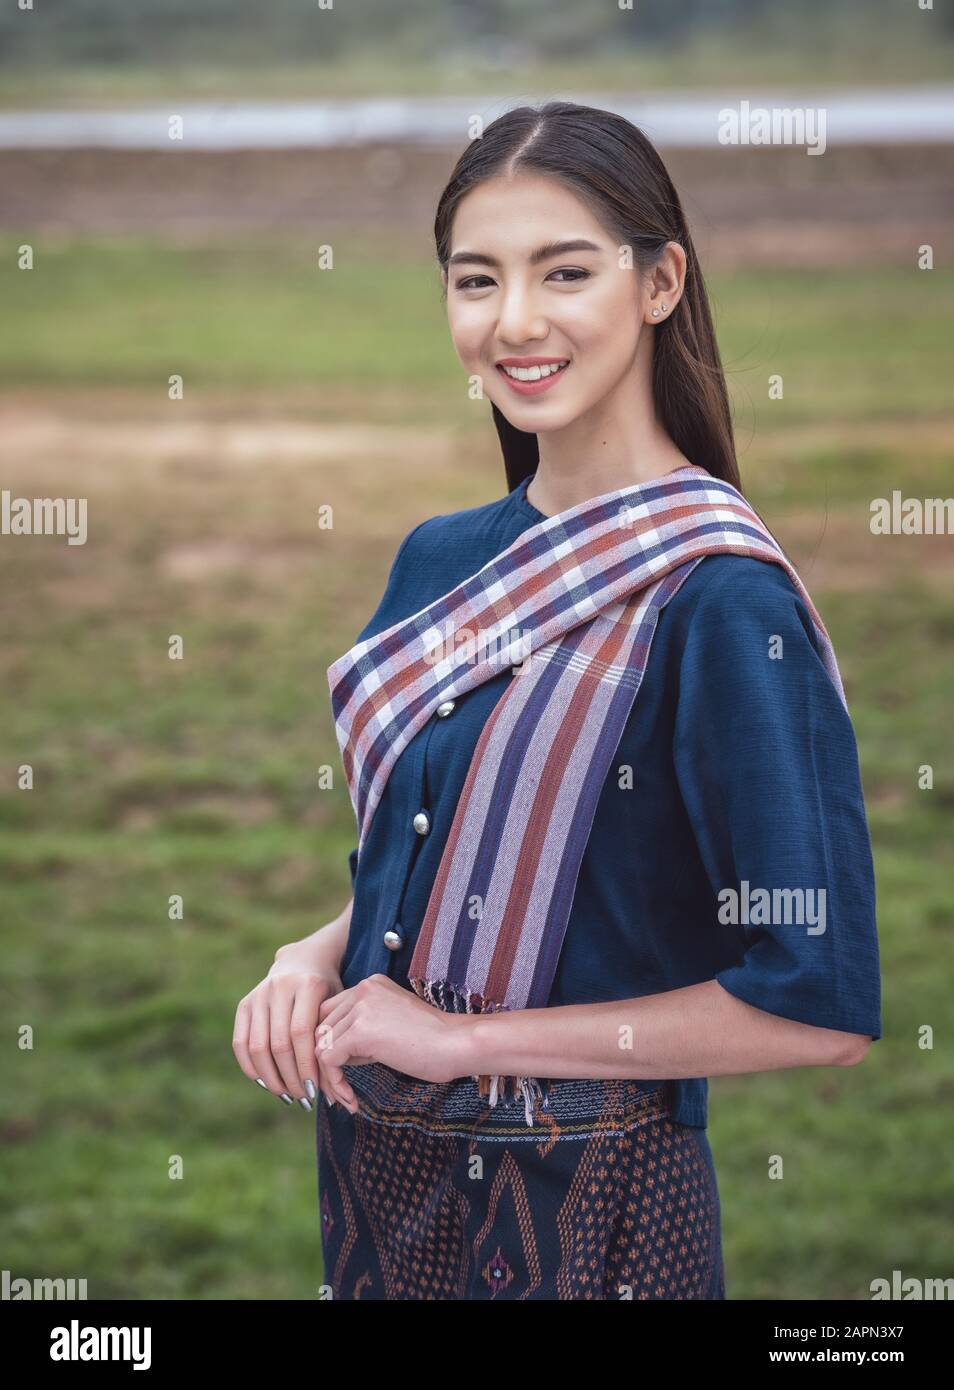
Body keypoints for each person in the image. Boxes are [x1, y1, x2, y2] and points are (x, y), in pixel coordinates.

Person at [232, 102, 881, 1301]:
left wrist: (461, 1040)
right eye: (476, 280)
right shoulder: (439, 558)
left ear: (659, 281)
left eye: (565, 271)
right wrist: (313, 950)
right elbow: (445, 858)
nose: (514, 322)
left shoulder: (721, 600)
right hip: (384, 1183)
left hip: (596, 1210)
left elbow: (818, 1002)